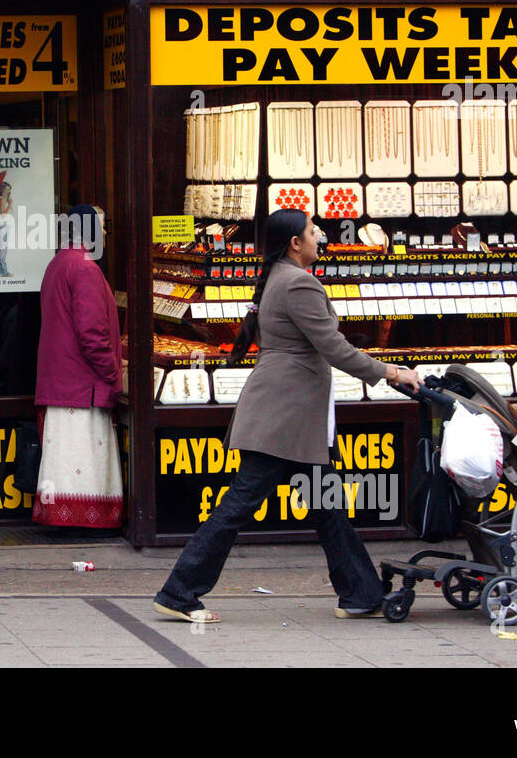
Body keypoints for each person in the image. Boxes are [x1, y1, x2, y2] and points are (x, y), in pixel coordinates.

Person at [153, 209, 422, 623]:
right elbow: (335, 348)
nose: (320, 238)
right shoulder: (298, 283)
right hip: (284, 417)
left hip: (289, 415)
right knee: (239, 506)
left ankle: (361, 593)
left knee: (325, 504)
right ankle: (179, 592)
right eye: (313, 232)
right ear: (296, 242)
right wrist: (391, 372)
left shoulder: (281, 277)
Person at [33, 204, 123, 532]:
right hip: (81, 385)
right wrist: (112, 372)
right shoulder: (85, 268)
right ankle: (84, 523)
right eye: (101, 228)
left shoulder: (58, 262)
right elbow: (92, 333)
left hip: (62, 381)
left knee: (64, 462)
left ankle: (65, 521)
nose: (104, 235)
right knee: (81, 460)